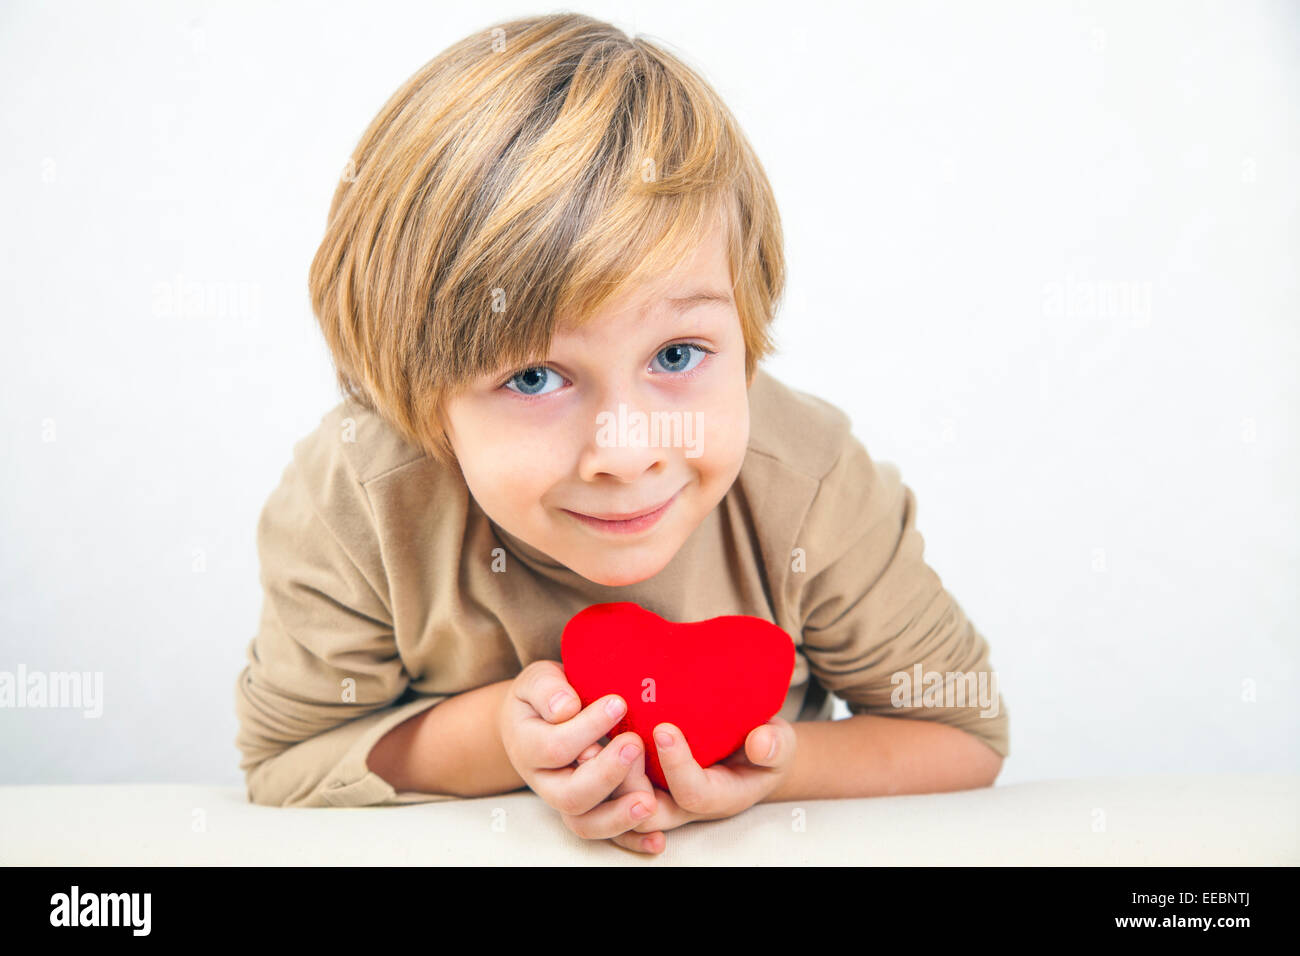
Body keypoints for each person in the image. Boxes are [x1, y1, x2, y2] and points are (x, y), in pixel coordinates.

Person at [234, 12, 1008, 856]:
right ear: (417, 389)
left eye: (678, 353)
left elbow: (961, 733)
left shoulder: (811, 483)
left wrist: (769, 775)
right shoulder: (358, 499)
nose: (629, 449)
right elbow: (287, 760)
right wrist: (503, 736)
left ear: (746, 329)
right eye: (533, 377)